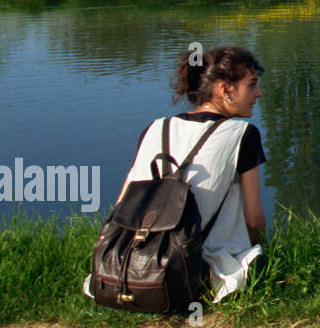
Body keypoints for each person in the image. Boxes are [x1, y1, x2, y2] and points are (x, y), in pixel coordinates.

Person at [87, 45, 268, 303]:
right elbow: (254, 219)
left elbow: (122, 206)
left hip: (129, 266)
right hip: (195, 271)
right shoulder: (242, 134)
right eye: (251, 85)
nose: (258, 93)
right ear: (225, 89)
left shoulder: (156, 128)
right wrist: (263, 248)